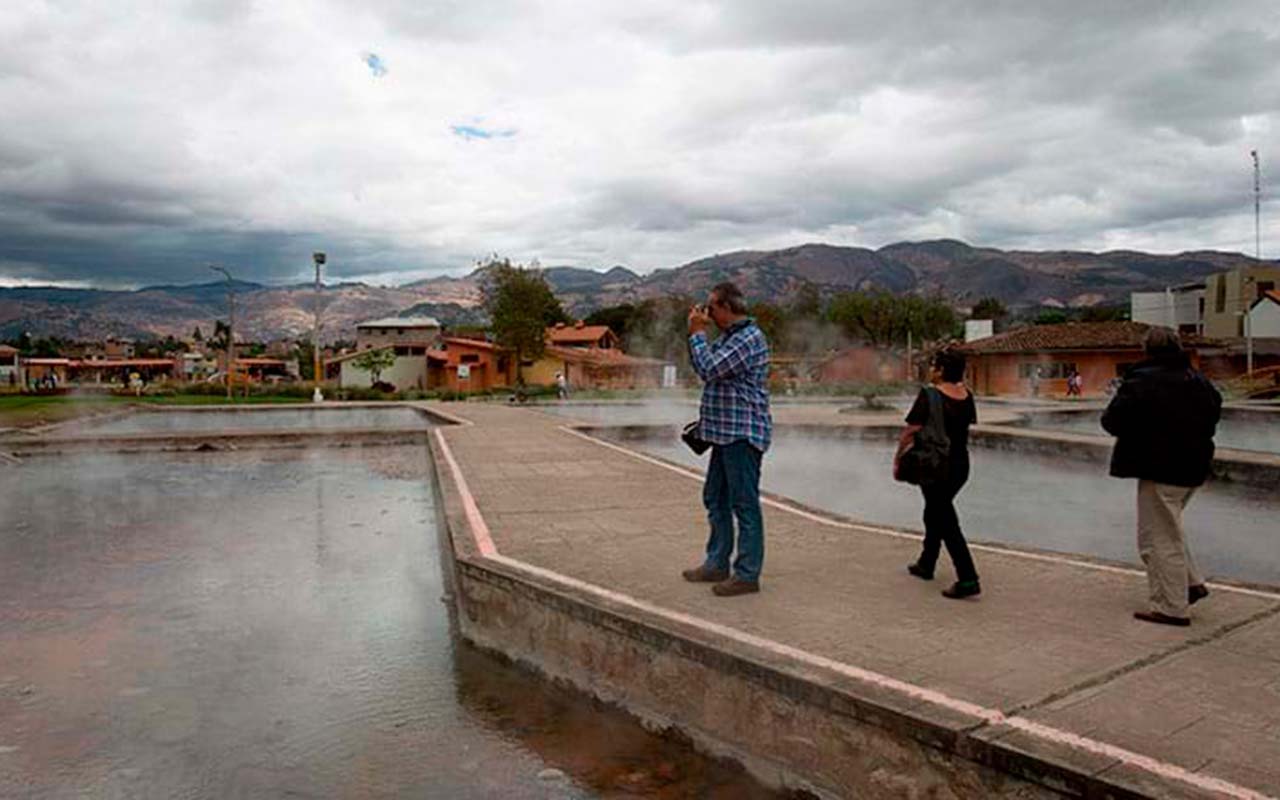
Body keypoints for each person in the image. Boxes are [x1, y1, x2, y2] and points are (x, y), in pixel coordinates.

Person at [1101, 328, 1221, 627]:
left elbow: (1112, 421)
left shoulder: (1142, 381)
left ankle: (1171, 608)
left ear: (1147, 350)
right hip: (1194, 467)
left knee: (1157, 539)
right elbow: (1214, 415)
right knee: (1169, 528)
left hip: (1159, 468)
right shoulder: (1198, 379)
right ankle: (1190, 584)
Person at [681, 282, 772, 597]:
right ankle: (717, 563)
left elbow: (709, 369)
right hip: (723, 434)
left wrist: (697, 333)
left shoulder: (748, 338)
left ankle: (747, 574)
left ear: (726, 307)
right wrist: (697, 336)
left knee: (744, 504)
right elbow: (703, 365)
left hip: (741, 434)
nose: (707, 313)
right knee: (715, 498)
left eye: (711, 307)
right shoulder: (730, 338)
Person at [895, 349, 981, 599]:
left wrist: (898, 457)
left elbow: (911, 430)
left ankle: (968, 578)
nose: (932, 370)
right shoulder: (967, 396)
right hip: (960, 465)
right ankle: (927, 562)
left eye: (934, 365)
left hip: (934, 465)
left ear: (942, 370)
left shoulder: (930, 395)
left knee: (946, 520)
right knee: (935, 510)